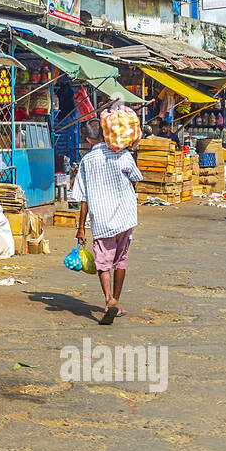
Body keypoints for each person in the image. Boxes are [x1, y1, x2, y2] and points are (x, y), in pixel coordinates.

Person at [69, 118, 141, 326]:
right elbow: (137, 176)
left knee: (103, 263)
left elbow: (82, 197)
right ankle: (116, 301)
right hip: (125, 218)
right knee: (121, 260)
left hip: (101, 221)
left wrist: (81, 227)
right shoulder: (124, 155)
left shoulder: (87, 161)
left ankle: (109, 299)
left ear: (89, 139)